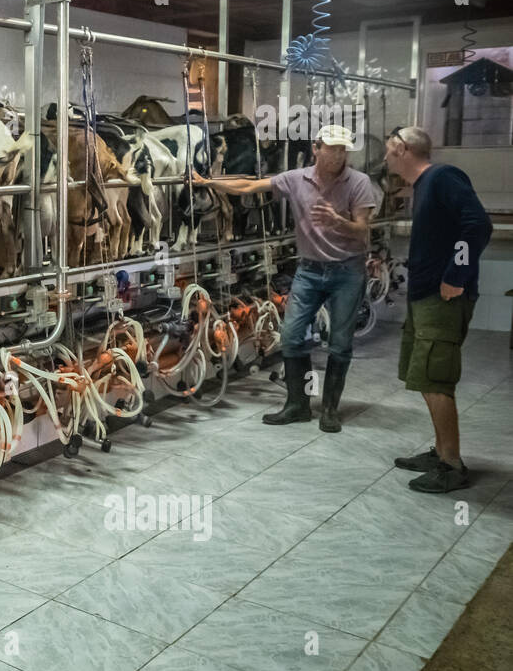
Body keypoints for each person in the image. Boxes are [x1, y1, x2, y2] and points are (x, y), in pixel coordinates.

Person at [194, 123, 377, 432]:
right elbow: (250, 186)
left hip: (347, 270)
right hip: (309, 269)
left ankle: (329, 409)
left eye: (342, 150)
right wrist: (208, 181)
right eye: (331, 148)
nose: (337, 155)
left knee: (340, 342)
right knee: (292, 337)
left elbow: (363, 233)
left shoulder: (358, 182)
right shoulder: (296, 179)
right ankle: (298, 404)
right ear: (316, 149)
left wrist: (338, 221)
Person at [383, 126, 492, 494]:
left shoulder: (443, 176)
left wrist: (456, 275)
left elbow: (478, 224)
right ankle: (442, 451)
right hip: (425, 296)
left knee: (435, 379)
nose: (384, 158)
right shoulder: (424, 185)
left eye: (388, 151)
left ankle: (451, 465)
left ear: (403, 148)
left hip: (442, 298)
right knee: (426, 377)